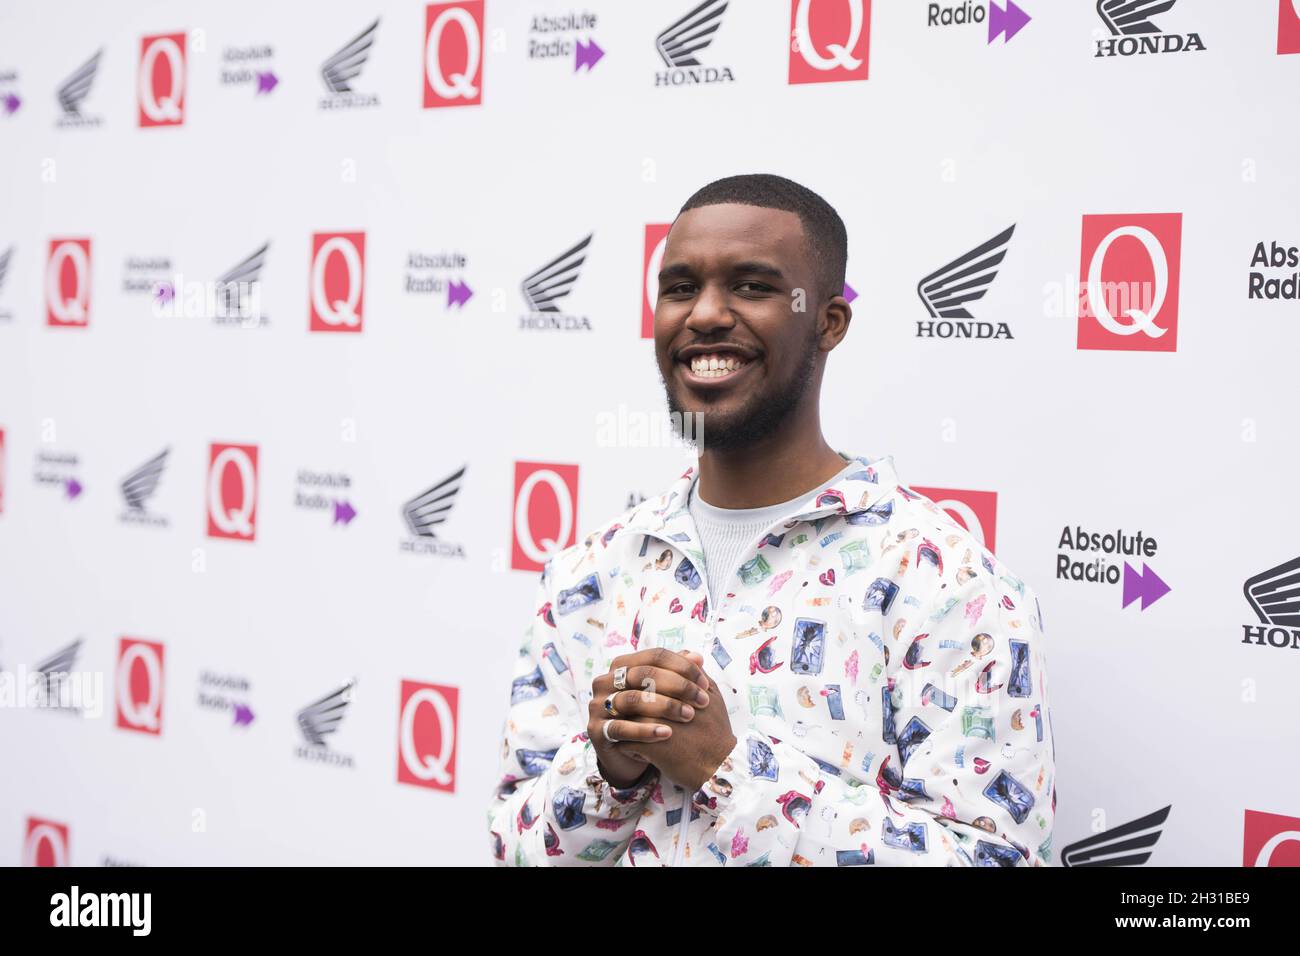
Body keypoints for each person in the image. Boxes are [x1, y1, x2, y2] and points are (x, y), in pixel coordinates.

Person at [486, 173, 1056, 867]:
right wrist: (604, 768)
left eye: (752, 286)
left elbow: (993, 859)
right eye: (679, 287)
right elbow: (514, 847)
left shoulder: (945, 581)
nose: (704, 314)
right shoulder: (592, 571)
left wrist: (729, 772)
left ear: (829, 322)